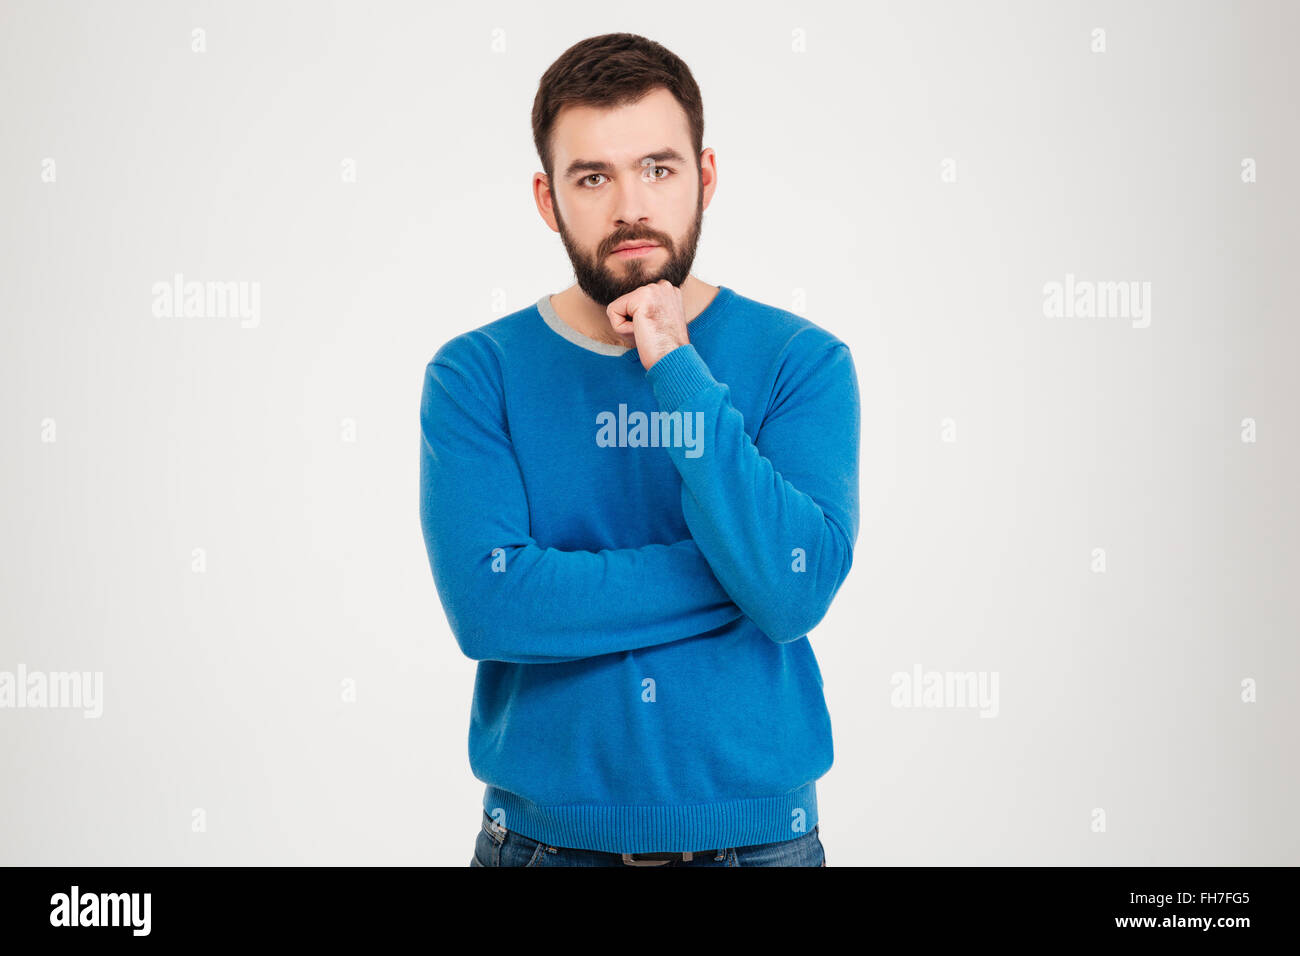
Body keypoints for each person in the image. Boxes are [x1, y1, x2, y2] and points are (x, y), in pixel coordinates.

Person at [419, 32, 859, 866]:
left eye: (659, 168)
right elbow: (492, 606)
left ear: (706, 178)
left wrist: (678, 368)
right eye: (594, 177)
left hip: (762, 846)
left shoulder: (803, 361)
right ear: (550, 201)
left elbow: (794, 592)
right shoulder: (477, 373)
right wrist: (737, 574)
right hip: (545, 849)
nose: (631, 206)